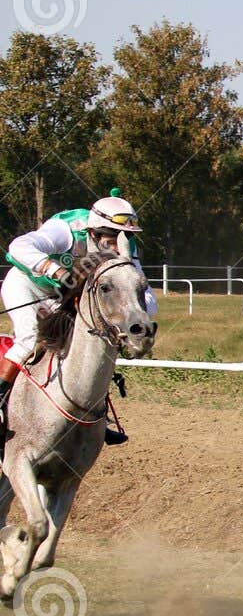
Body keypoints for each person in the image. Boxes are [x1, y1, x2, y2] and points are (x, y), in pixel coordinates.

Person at [2, 190, 147, 445]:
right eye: (112, 237)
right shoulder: (65, 229)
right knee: (30, 339)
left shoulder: (125, 248)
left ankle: (97, 417)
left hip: (63, 298)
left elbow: (142, 292)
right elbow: (19, 246)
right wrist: (55, 270)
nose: (119, 244)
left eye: (125, 236)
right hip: (27, 285)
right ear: (93, 232)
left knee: (93, 346)